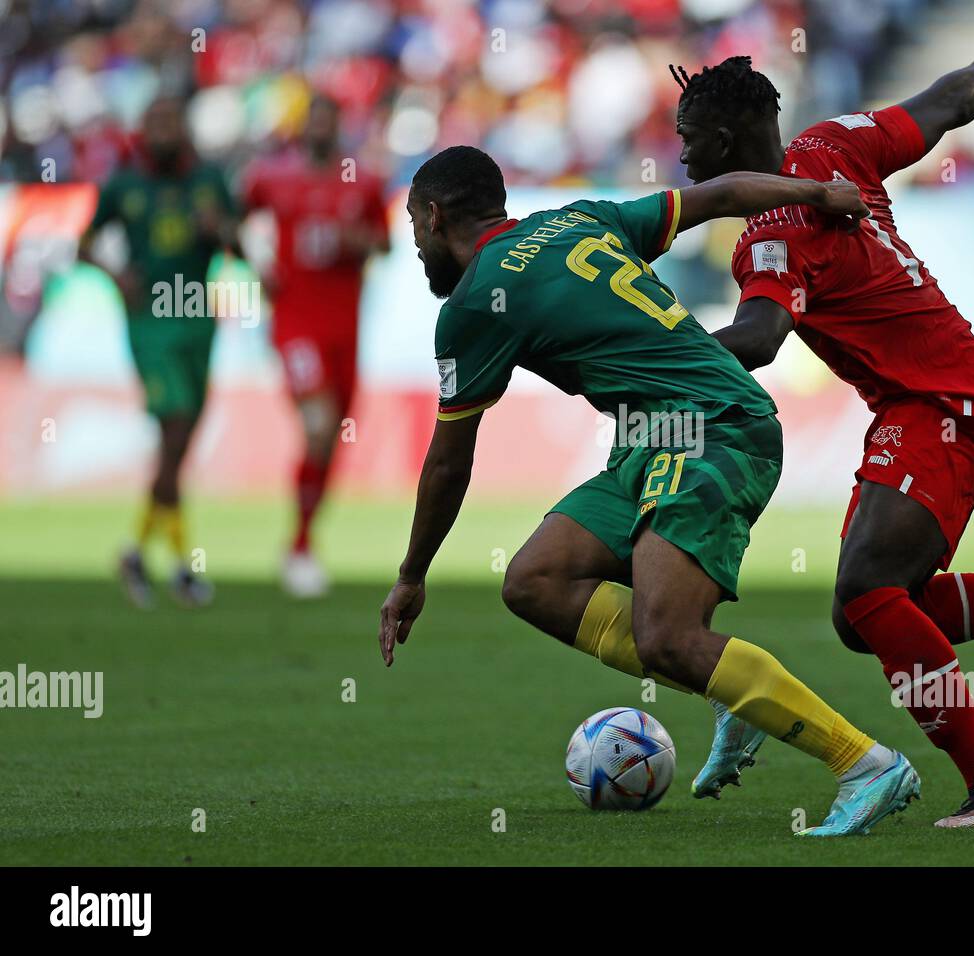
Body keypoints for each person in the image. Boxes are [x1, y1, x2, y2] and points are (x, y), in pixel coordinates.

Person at [671, 23, 974, 828]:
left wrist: (647, 357)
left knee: (868, 591)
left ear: (722, 137)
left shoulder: (770, 235)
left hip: (946, 404)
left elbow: (755, 340)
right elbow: (950, 101)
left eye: (686, 141)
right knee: (872, 613)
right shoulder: (833, 146)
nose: (680, 160)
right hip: (934, 399)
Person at [377, 144, 918, 836]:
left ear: (433, 212)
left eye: (414, 225)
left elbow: (450, 462)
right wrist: (814, 194)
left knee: (666, 636)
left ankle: (865, 763)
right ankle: (726, 690)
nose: (416, 243)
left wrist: (411, 576)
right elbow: (719, 196)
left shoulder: (477, 300)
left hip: (709, 428)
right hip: (652, 438)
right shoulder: (579, 219)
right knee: (535, 581)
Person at [79, 95, 239, 608]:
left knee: (181, 440)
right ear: (143, 130)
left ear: (183, 129)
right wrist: (113, 274)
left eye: (170, 120)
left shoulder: (209, 181)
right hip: (150, 322)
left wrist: (221, 231)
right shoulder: (124, 184)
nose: (163, 130)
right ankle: (179, 564)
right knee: (174, 426)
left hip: (196, 319)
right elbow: (84, 243)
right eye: (154, 121)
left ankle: (138, 552)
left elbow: (237, 242)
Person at [243, 94, 391, 597]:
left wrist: (353, 242)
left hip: (345, 333)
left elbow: (386, 244)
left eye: (330, 119)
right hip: (295, 326)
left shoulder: (364, 182)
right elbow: (230, 217)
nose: (321, 128)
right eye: (314, 120)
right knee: (320, 426)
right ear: (303, 127)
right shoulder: (272, 178)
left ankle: (303, 542)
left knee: (332, 441)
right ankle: (301, 546)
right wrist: (258, 267)